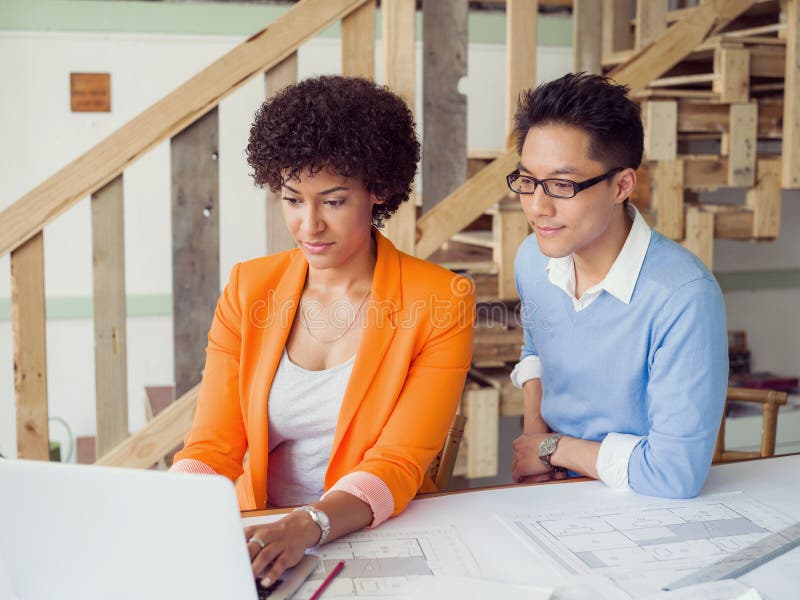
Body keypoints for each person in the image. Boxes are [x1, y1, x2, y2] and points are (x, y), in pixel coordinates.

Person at [171, 75, 474, 587]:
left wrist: (308, 523)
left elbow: (397, 462)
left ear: (378, 190)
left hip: (371, 530)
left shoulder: (442, 301)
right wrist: (170, 507)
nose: (308, 225)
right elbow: (212, 446)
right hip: (261, 534)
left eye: (332, 201)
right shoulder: (249, 288)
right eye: (292, 199)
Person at [507, 73, 728, 498]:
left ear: (622, 186)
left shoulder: (684, 297)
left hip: (644, 500)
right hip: (553, 492)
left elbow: (674, 474)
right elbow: (536, 349)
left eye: (562, 185)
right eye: (527, 181)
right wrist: (535, 436)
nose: (537, 207)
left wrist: (553, 449)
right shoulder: (533, 258)